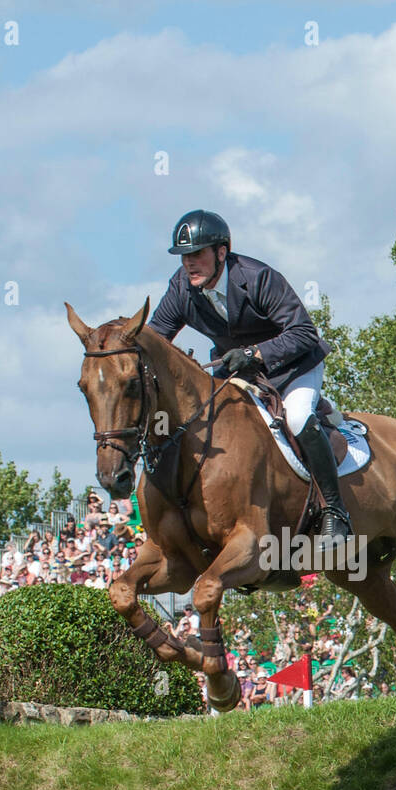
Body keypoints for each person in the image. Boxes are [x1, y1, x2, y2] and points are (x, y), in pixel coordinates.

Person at [147, 209, 351, 556]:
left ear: (221, 252)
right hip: (239, 372)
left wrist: (256, 353)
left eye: (197, 254)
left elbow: (304, 332)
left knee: (299, 417)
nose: (189, 264)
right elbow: (155, 338)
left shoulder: (257, 278)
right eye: (184, 257)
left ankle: (335, 511)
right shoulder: (181, 287)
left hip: (293, 367)